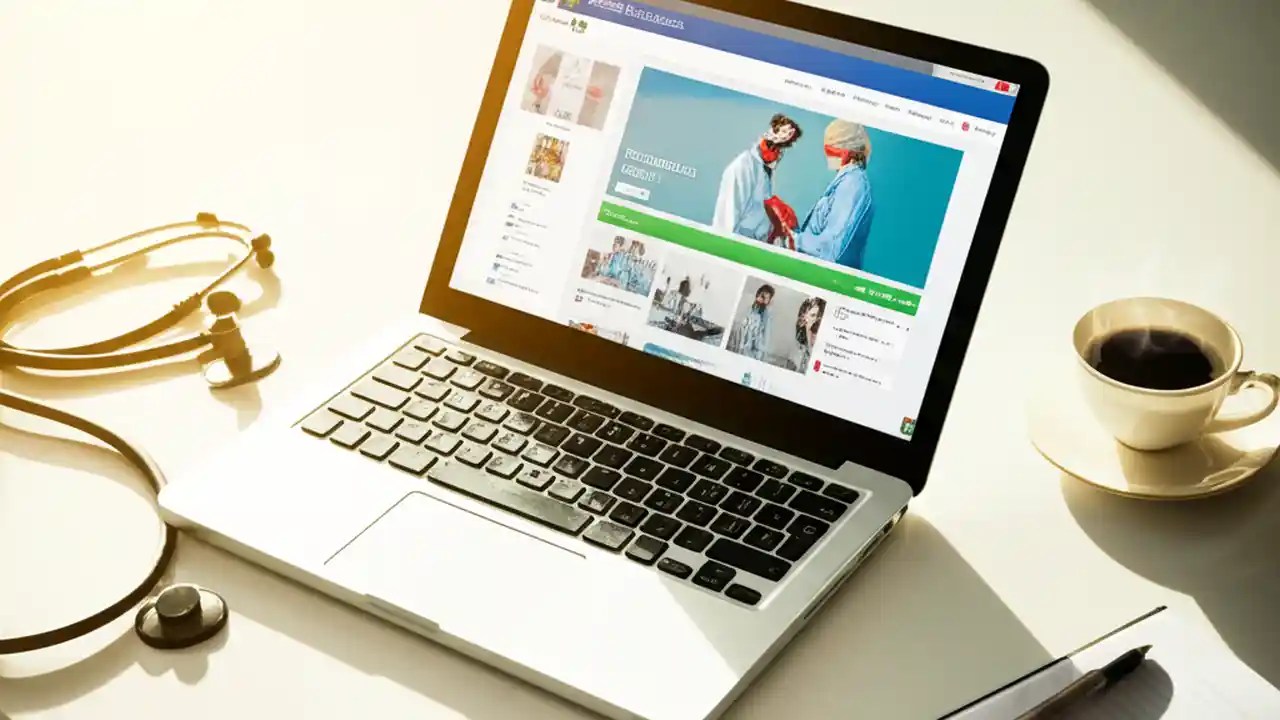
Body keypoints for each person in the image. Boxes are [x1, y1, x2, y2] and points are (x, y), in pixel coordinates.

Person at [792, 119, 876, 269]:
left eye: (830, 150)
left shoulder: (852, 184)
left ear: (847, 152)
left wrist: (792, 239)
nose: (827, 156)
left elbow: (829, 249)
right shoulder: (846, 181)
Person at [712, 114, 803, 244]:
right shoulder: (743, 166)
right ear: (772, 131)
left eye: (786, 142)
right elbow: (727, 221)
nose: (778, 152)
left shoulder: (765, 170)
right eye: (783, 132)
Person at [729, 284, 775, 361]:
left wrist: (757, 357)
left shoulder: (767, 317)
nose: (763, 300)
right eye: (762, 296)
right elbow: (740, 328)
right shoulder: (748, 310)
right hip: (739, 350)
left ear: (769, 301)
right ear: (757, 295)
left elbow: (765, 340)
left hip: (753, 355)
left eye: (766, 299)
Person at [790, 297, 826, 371]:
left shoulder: (817, 336)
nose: (807, 319)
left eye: (812, 315)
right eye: (805, 313)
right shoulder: (801, 331)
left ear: (817, 318)